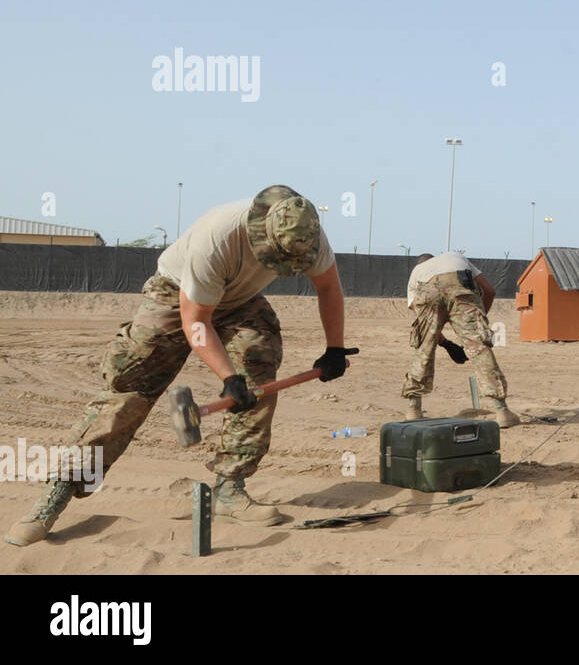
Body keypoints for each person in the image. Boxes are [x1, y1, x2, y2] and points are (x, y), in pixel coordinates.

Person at [4, 185, 358, 547]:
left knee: (259, 373)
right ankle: (58, 492)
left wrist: (334, 348)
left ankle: (229, 487)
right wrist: (227, 377)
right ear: (261, 231)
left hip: (241, 301)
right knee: (129, 389)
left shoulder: (307, 235)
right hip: (177, 295)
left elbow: (329, 288)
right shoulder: (217, 238)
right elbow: (197, 322)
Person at [402, 251, 519, 428]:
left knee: (423, 349)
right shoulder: (455, 257)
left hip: (426, 289)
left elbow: (425, 330)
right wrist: (475, 325)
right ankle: (501, 411)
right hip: (459, 285)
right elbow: (489, 291)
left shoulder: (417, 272)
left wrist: (446, 344)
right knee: (479, 350)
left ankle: (413, 409)